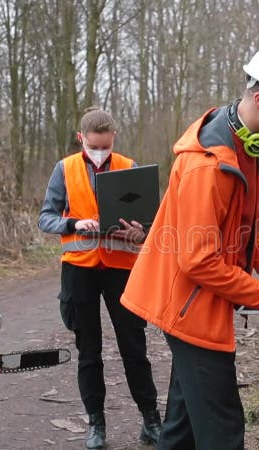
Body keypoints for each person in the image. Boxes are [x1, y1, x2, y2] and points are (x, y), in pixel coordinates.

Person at [120, 42, 259, 450]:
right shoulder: (208, 165)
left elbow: (242, 222)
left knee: (182, 429)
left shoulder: (251, 143)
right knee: (223, 430)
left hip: (201, 300)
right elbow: (198, 261)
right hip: (188, 305)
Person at [38, 107, 161, 449]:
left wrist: (142, 232)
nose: (100, 153)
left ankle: (152, 421)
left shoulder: (130, 167)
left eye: (105, 147)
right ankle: (96, 425)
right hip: (79, 270)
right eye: (94, 147)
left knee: (135, 348)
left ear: (114, 139)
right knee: (88, 352)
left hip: (122, 270)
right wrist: (72, 224)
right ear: (81, 139)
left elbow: (151, 221)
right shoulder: (64, 169)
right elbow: (45, 217)